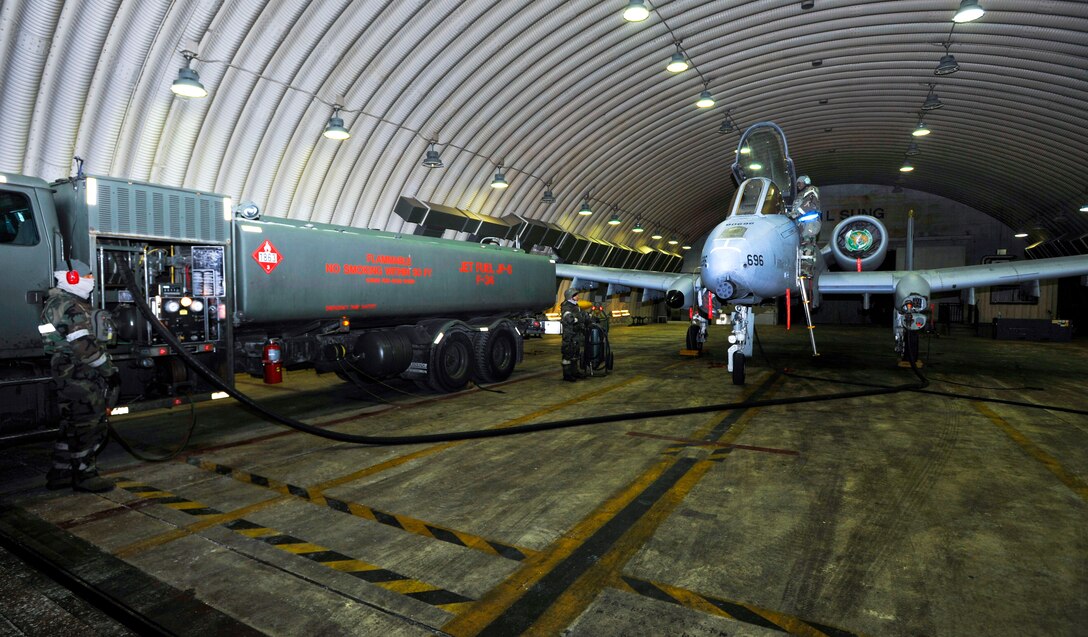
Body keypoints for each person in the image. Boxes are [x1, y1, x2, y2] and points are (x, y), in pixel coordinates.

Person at [39, 261, 119, 493]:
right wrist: (109, 371)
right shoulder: (71, 306)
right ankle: (85, 475)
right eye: (88, 275)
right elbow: (83, 346)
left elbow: (55, 343)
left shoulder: (53, 303)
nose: (91, 279)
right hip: (79, 374)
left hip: (64, 372)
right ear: (72, 278)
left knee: (71, 423)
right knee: (89, 424)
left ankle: (60, 472)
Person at [560, 288, 585, 382]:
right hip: (569, 334)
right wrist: (576, 320)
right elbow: (568, 317)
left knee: (575, 353)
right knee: (567, 353)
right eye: (575, 295)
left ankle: (575, 372)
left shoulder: (575, 305)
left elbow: (581, 315)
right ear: (570, 296)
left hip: (576, 334)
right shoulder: (566, 305)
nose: (578, 296)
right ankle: (567, 375)